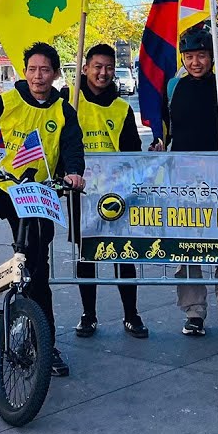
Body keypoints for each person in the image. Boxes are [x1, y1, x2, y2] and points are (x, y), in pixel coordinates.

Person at [0, 41, 85, 377]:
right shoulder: (6, 101)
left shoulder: (63, 111)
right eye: (32, 69)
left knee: (37, 267)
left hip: (35, 192)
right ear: (25, 72)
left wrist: (74, 171)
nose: (38, 76)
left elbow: (72, 147)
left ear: (55, 74)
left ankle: (44, 344)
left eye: (45, 70)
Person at [153, 24, 218, 336]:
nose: (195, 62)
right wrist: (159, 144)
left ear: (211, 57)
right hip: (183, 181)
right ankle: (193, 311)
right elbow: (165, 129)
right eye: (189, 57)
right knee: (187, 247)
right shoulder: (173, 89)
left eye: (201, 55)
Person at [62, 43, 147, 339]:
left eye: (109, 67)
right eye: (97, 66)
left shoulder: (122, 108)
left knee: (123, 252)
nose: (103, 73)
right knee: (87, 255)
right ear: (85, 68)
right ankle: (88, 315)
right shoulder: (69, 101)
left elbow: (132, 152)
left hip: (115, 193)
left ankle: (131, 314)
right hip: (81, 192)